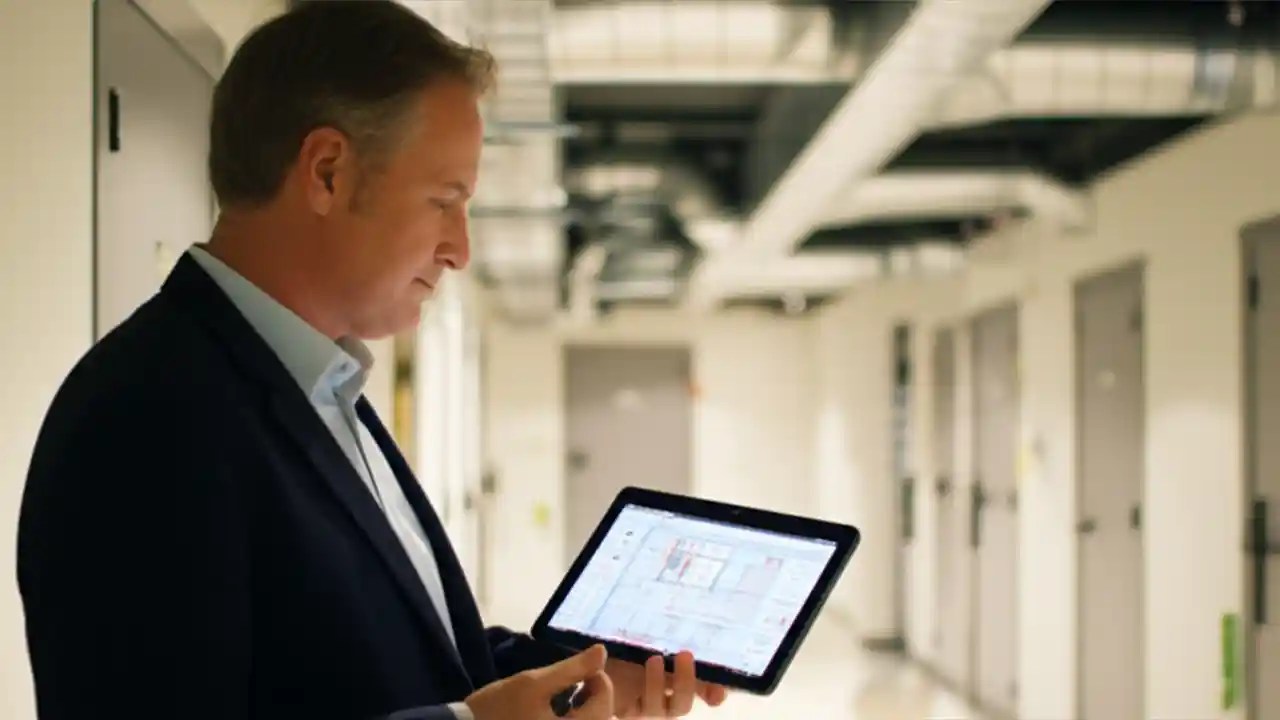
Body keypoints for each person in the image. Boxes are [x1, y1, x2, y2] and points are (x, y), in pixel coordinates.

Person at [16, 2, 729, 719]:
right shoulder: (146, 417)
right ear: (326, 172)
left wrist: (581, 675)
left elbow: (400, 657)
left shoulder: (326, 392)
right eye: (444, 201)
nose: (460, 249)